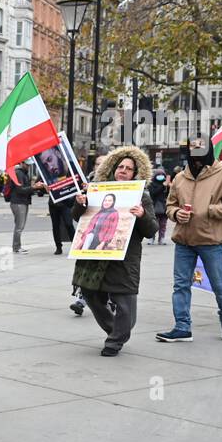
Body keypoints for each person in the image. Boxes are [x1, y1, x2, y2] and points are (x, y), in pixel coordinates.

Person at [156, 140, 222, 343]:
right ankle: (182, 326)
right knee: (180, 285)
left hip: (211, 239)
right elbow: (170, 204)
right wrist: (176, 213)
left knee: (219, 284)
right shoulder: (180, 177)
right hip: (184, 240)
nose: (196, 155)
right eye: (192, 151)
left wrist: (213, 210)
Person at [71, 147, 157, 355]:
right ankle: (116, 330)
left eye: (129, 168)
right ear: (113, 168)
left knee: (125, 303)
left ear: (135, 173)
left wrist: (143, 215)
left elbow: (151, 229)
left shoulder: (141, 196)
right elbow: (79, 219)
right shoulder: (97, 190)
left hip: (124, 258)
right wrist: (80, 204)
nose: (123, 171)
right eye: (120, 167)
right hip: (94, 257)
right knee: (91, 295)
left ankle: (115, 341)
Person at [8, 160, 35, 253]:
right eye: (27, 165)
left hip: (21, 201)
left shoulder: (23, 173)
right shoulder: (19, 173)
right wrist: (33, 187)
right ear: (22, 163)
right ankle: (16, 247)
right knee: (19, 226)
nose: (29, 167)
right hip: (19, 202)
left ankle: (17, 246)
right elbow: (21, 190)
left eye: (29, 165)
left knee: (19, 226)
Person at [148, 166, 169, 245]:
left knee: (163, 224)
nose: (161, 176)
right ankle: (151, 238)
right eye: (159, 174)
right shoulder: (152, 184)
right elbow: (153, 193)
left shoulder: (166, 185)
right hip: (154, 206)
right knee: (154, 224)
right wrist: (162, 186)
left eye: (162, 174)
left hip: (164, 207)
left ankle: (161, 239)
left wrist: (168, 186)